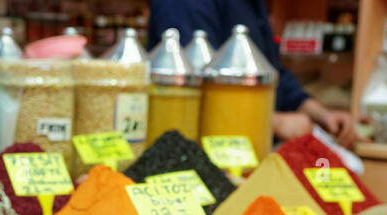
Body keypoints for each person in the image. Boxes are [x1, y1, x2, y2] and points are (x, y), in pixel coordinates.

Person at [148, 0, 359, 146]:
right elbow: (191, 83)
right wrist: (275, 122)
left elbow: (270, 70)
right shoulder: (185, 4)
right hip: (204, 151)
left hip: (249, 147)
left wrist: (320, 114)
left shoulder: (252, 4)